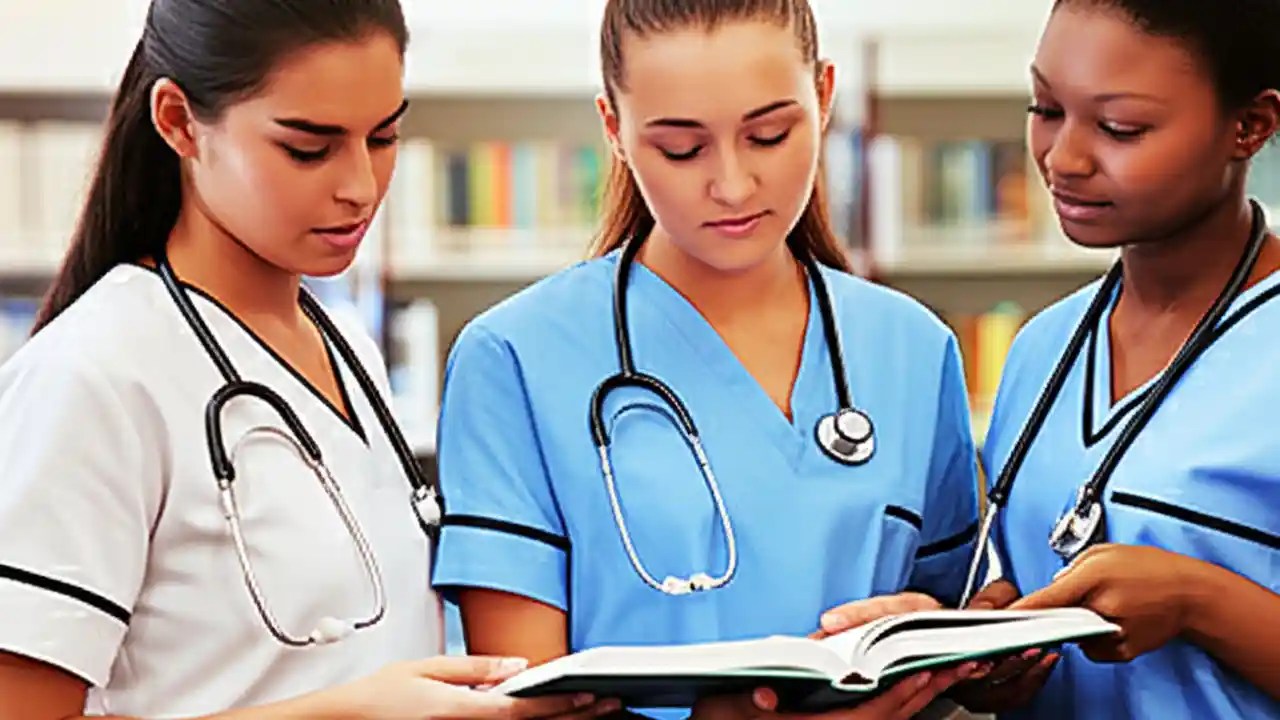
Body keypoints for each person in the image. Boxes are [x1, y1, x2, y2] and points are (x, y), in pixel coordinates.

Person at [0, 2, 623, 719]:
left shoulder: (344, 347)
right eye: (308, 149)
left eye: (384, 136)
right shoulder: (91, 375)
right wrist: (354, 712)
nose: (360, 186)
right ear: (177, 122)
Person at [428, 1, 982, 718]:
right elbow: (517, 700)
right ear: (614, 131)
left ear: (823, 96)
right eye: (682, 149)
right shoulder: (513, 359)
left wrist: (927, 633)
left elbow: (951, 611)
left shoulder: (911, 348)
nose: (733, 185)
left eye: (770, 135)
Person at [955, 0, 1280, 717]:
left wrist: (1201, 600)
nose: (1062, 159)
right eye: (1045, 109)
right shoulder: (1040, 348)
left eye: (1119, 128)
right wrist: (994, 653)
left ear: (1250, 126)